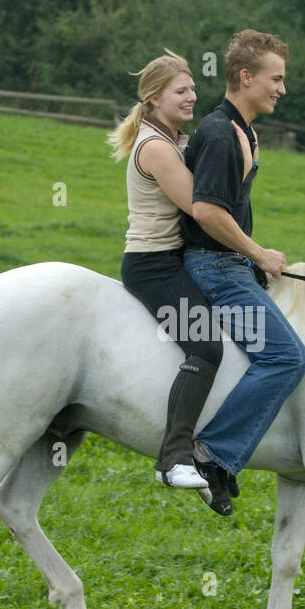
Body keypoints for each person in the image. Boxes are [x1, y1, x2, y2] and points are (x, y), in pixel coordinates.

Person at [180, 29, 305, 515]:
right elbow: (207, 212)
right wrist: (258, 254)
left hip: (230, 265)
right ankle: (211, 453)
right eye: (275, 79)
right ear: (245, 76)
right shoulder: (218, 133)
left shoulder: (244, 131)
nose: (282, 89)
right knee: (286, 357)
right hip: (214, 268)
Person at [109, 50, 226, 499]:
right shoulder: (157, 147)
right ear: (155, 99)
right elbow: (201, 205)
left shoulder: (173, 139)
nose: (192, 96)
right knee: (206, 345)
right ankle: (175, 457)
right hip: (153, 266)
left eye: (194, 87)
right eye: (182, 90)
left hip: (176, 260)